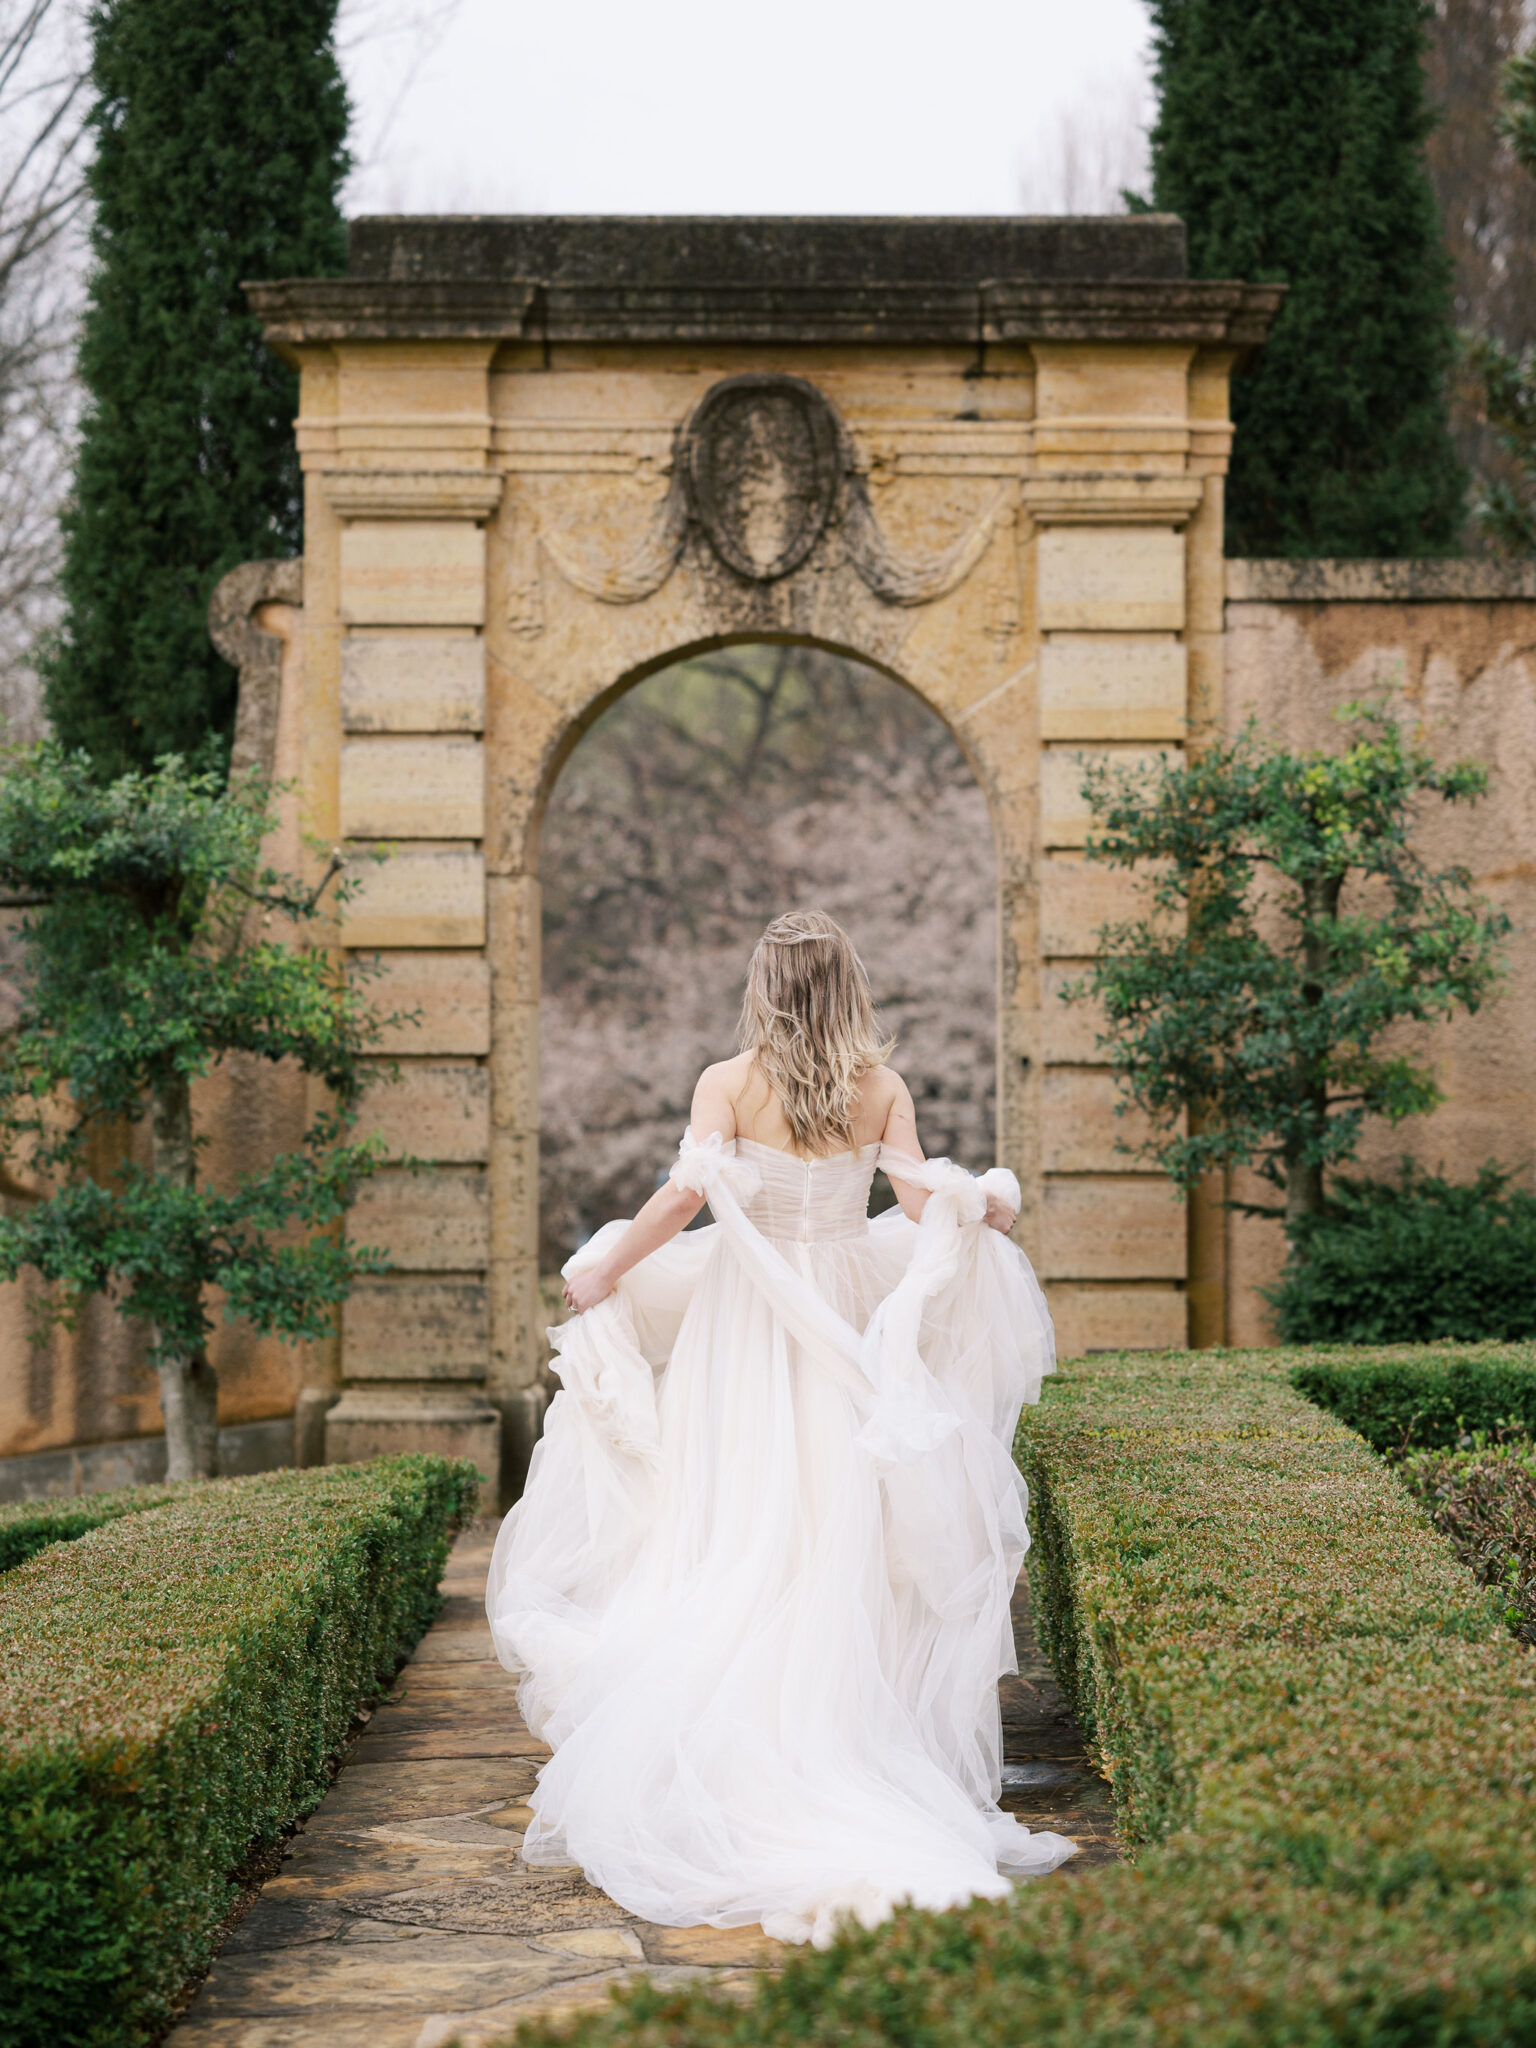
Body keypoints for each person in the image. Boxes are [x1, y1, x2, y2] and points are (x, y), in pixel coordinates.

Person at [486, 910, 1076, 1948]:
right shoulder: (879, 1087)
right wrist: (978, 1204)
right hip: (844, 1300)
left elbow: (682, 1201)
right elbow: (910, 1195)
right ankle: (847, 1723)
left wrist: (603, 1267)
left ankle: (743, 1742)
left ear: (764, 985)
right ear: (848, 983)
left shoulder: (728, 1079)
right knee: (839, 1509)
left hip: (749, 1315)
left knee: (739, 1506)